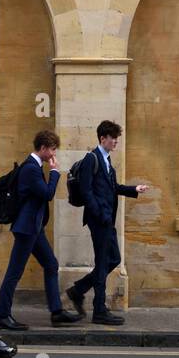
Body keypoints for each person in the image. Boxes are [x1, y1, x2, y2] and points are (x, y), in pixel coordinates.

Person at [0, 130, 82, 330]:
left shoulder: (34, 166)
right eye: (52, 149)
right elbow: (47, 194)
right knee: (14, 273)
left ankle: (57, 312)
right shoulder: (31, 169)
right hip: (26, 229)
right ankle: (2, 315)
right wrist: (54, 173)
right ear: (42, 148)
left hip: (35, 227)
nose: (53, 154)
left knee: (51, 265)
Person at [65, 120, 149, 325]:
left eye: (116, 138)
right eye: (113, 138)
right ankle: (99, 310)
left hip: (106, 220)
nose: (116, 142)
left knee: (112, 260)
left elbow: (113, 187)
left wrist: (133, 189)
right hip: (99, 220)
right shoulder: (91, 159)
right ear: (103, 138)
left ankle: (78, 290)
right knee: (103, 262)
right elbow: (86, 192)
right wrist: (99, 215)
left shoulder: (106, 160)